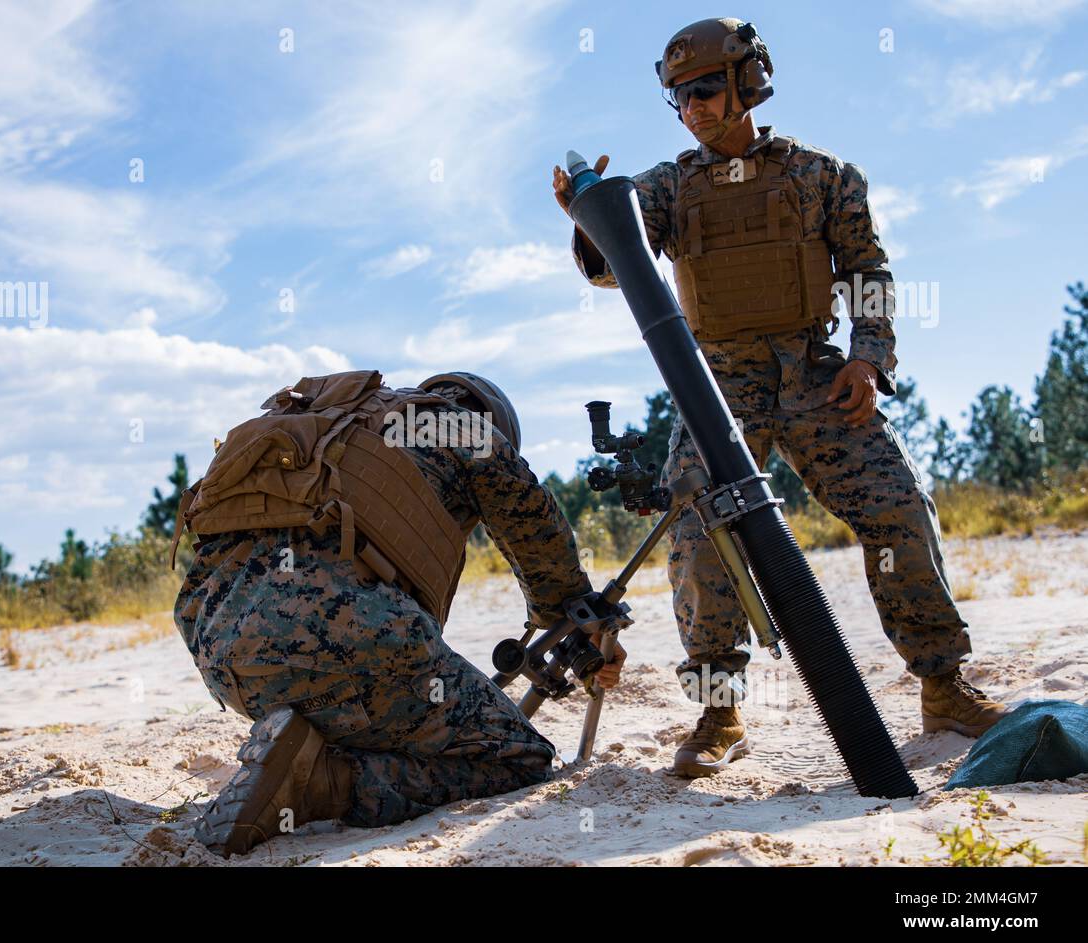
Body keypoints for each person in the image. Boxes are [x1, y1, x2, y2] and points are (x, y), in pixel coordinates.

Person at [551, 18, 1006, 778]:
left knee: (896, 506)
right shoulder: (668, 186)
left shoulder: (822, 175)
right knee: (699, 533)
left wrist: (868, 360)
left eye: (704, 88)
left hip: (815, 371)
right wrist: (588, 224)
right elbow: (612, 268)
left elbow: (867, 271)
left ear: (747, 83)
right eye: (678, 95)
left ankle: (942, 685)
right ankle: (720, 711)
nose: (692, 105)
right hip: (717, 382)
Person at [172, 369, 624, 855]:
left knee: (383, 703)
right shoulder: (460, 426)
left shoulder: (322, 421)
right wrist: (585, 629)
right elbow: (539, 539)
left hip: (223, 663)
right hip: (351, 649)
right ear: (488, 417)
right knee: (521, 758)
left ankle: (296, 752)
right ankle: (323, 783)